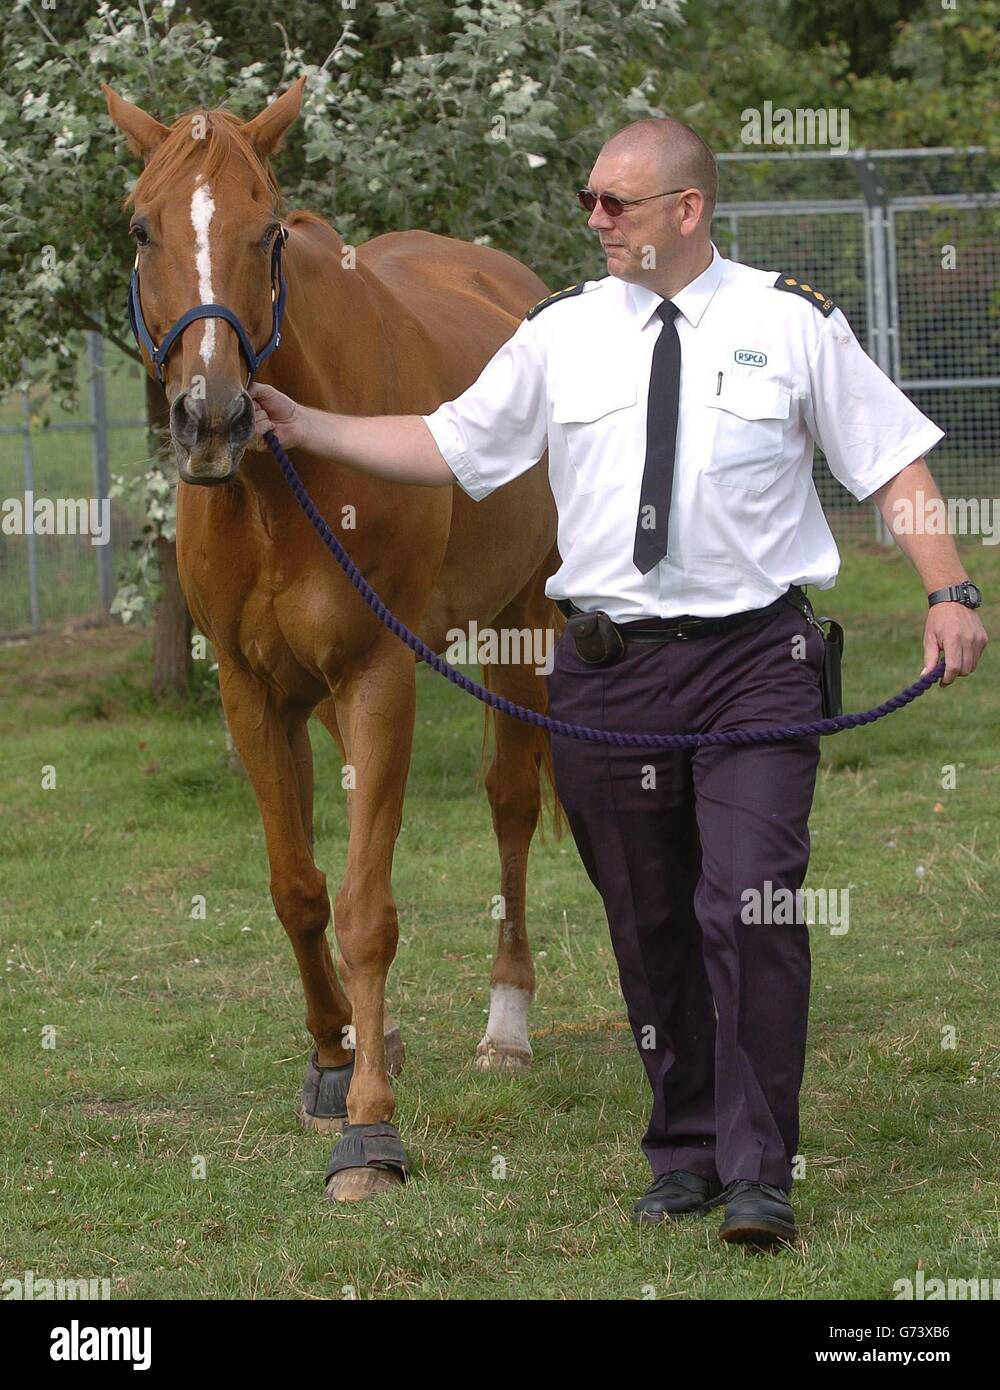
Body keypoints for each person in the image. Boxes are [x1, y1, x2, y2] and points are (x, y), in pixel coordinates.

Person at [251, 118, 987, 1248]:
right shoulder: (559, 335)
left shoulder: (789, 322)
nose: (590, 219)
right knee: (646, 927)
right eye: (588, 199)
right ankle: (683, 1150)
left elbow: (889, 459)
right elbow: (452, 443)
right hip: (604, 674)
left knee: (749, 906)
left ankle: (757, 1169)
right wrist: (310, 425)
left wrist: (947, 587)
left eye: (613, 203)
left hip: (754, 664)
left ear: (684, 212)